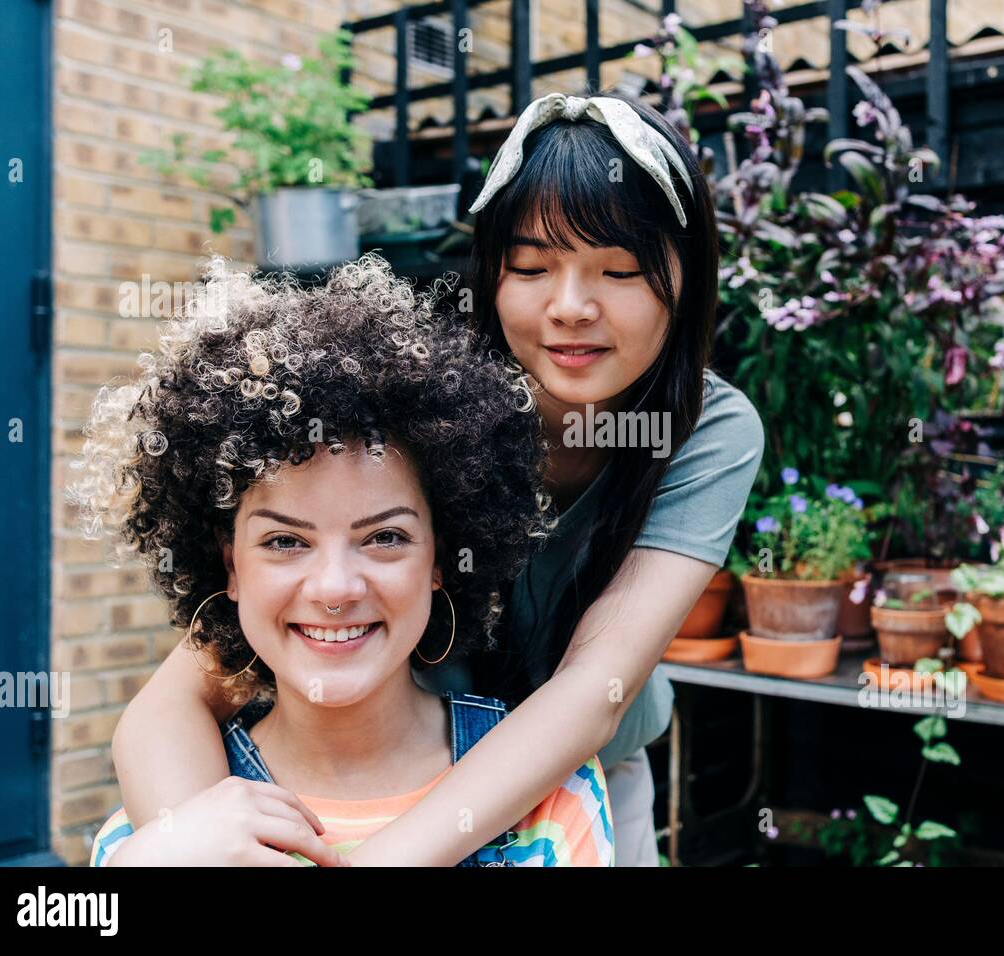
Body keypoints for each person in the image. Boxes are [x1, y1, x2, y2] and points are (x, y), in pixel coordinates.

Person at [109, 90, 764, 866]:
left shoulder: (707, 430)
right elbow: (178, 696)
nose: (571, 307)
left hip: (573, 788)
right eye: (530, 266)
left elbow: (593, 692)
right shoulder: (421, 399)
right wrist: (186, 840)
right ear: (490, 272)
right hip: (381, 767)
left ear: (686, 280)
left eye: (620, 270)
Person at [73, 257, 612, 866]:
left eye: (384, 538)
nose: (334, 588)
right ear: (229, 565)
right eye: (284, 542)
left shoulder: (550, 807)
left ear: (443, 556)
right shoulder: (162, 833)